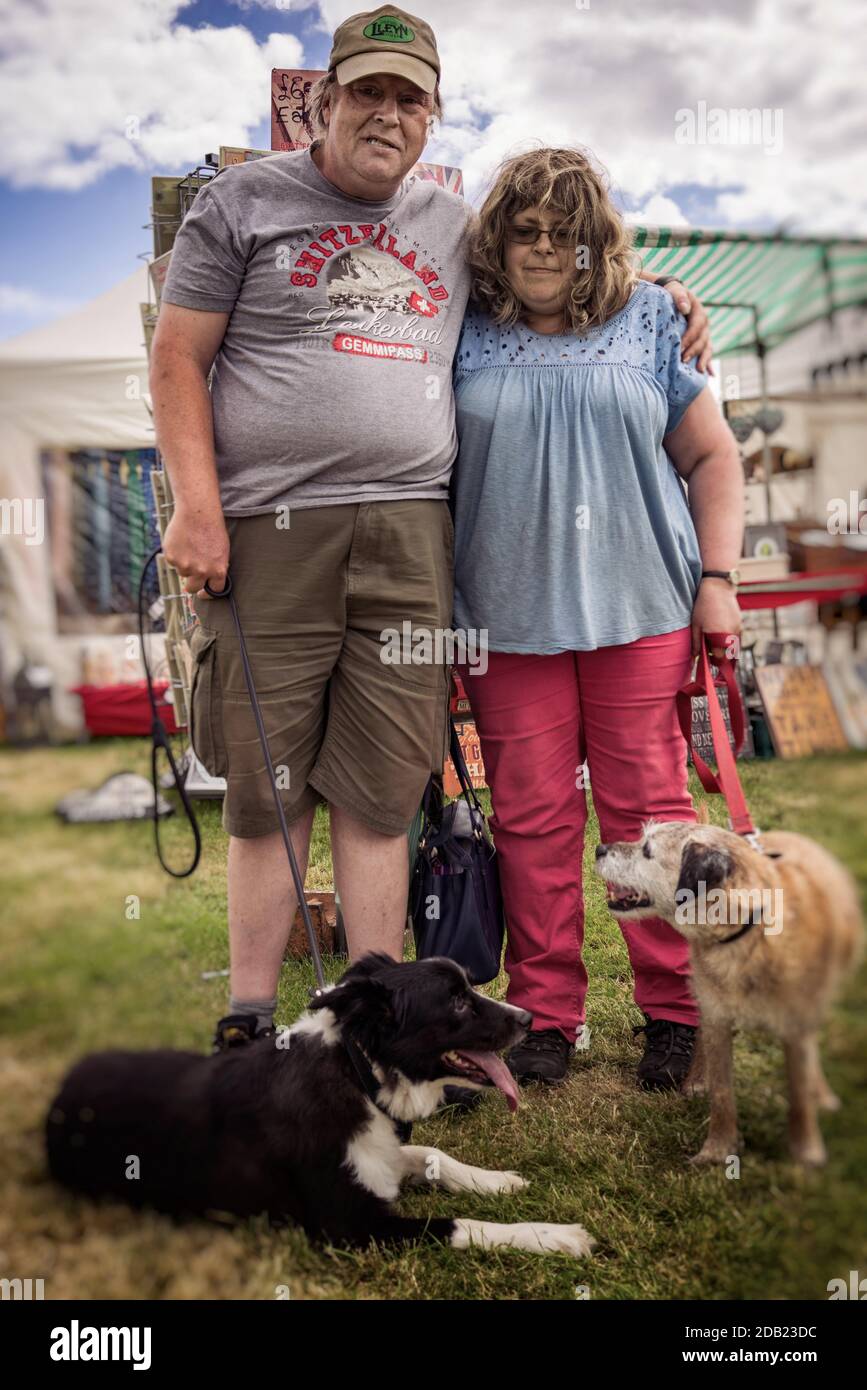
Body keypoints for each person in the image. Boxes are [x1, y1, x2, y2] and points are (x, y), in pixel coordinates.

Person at [150, 2, 712, 1051]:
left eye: (410, 98)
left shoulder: (456, 225)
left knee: (379, 781)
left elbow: (573, 272)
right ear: (325, 99)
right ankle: (248, 1019)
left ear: (434, 116)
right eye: (367, 90)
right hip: (272, 528)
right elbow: (178, 355)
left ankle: (381, 1026)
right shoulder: (240, 202)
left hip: (415, 537)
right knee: (273, 788)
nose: (387, 113)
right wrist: (195, 504)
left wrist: (663, 295)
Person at [451, 147, 743, 1090]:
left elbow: (712, 461)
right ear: (496, 239)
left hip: (642, 607)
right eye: (524, 230)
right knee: (531, 818)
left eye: (564, 233)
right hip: (503, 619)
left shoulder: (652, 320)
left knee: (649, 818)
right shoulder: (463, 326)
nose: (542, 248)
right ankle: (545, 1016)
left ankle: (671, 1009)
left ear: (593, 243)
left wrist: (719, 578)